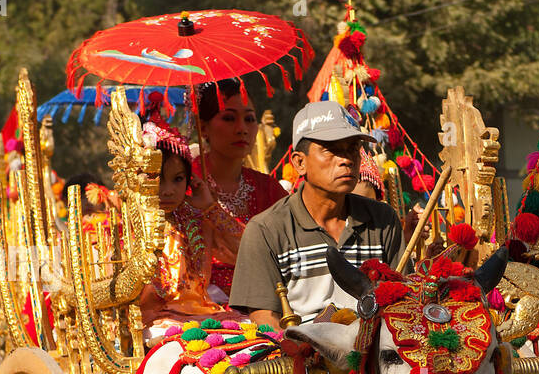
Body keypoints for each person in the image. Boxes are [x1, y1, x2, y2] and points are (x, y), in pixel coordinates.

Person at [231, 101, 404, 325]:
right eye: (331, 150)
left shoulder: (383, 219)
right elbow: (266, 318)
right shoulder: (266, 230)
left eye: (352, 149)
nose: (346, 160)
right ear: (300, 163)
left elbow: (401, 298)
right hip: (301, 351)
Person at [136, 117, 237, 339]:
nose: (168, 190)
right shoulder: (128, 223)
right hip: (153, 322)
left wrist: (210, 207)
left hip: (204, 315)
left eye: (178, 179)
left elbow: (245, 252)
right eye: (157, 179)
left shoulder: (199, 218)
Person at [193, 80, 287, 309]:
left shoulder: (269, 189)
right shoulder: (184, 183)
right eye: (228, 118)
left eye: (249, 118)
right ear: (203, 127)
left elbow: (281, 254)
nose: (242, 128)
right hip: (197, 307)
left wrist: (212, 212)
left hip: (263, 303)